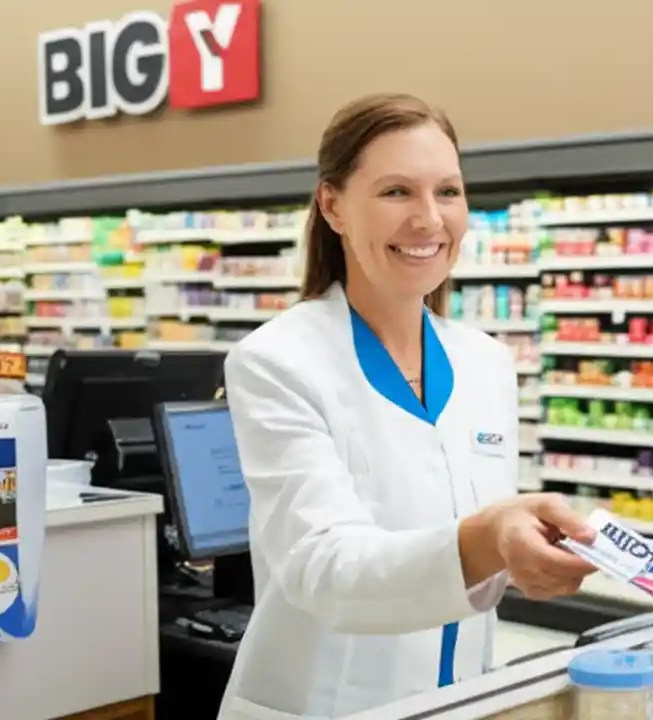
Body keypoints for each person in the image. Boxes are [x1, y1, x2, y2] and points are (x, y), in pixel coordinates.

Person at [217, 93, 598, 719]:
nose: (429, 219)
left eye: (447, 192)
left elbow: (474, 565)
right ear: (332, 205)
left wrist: (533, 550)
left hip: (463, 704)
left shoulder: (486, 364)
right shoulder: (277, 361)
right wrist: (490, 538)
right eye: (396, 192)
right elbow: (325, 569)